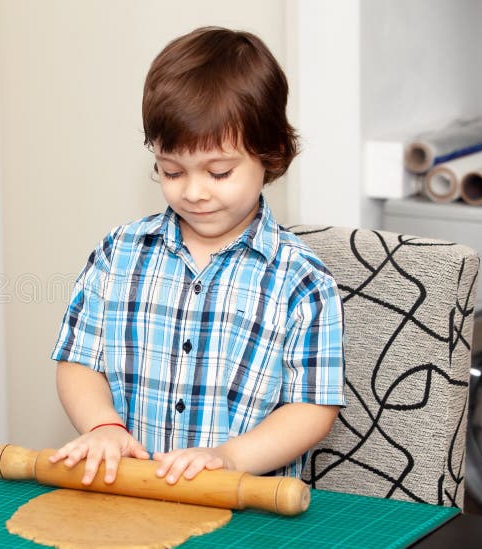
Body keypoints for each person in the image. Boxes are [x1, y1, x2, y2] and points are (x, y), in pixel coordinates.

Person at [49, 27, 345, 487]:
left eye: (219, 172)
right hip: (130, 495)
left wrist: (227, 458)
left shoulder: (303, 280)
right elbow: (78, 361)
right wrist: (103, 426)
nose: (193, 192)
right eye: (171, 171)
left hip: (246, 509)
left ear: (271, 155)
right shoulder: (118, 253)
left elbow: (312, 407)